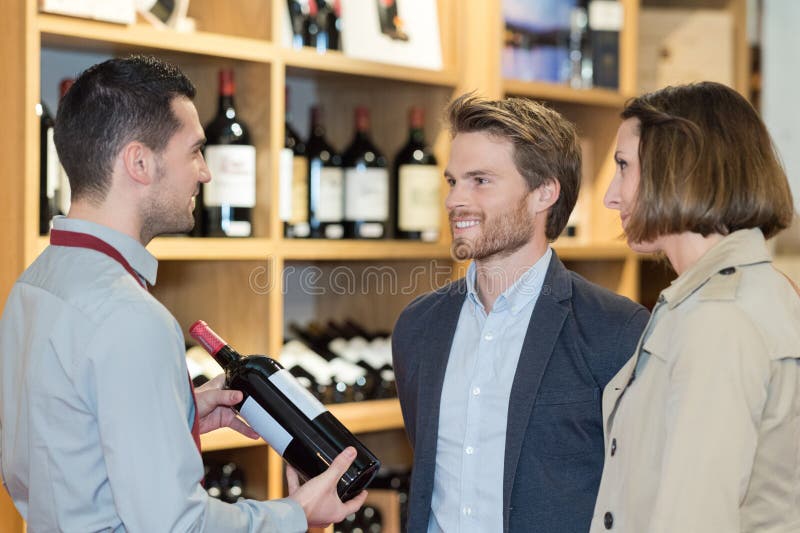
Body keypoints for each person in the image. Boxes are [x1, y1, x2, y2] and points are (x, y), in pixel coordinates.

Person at [0, 55, 366, 532]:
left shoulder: (33, 285)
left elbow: (45, 457)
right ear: (139, 162)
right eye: (194, 151)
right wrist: (297, 514)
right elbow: (177, 526)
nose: (205, 172)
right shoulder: (132, 319)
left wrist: (179, 413)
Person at [391, 93, 649, 533]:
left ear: (543, 193)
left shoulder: (617, 330)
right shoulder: (418, 327)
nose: (455, 200)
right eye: (453, 181)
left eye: (480, 181)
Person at [590, 81, 800, 533]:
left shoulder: (718, 319)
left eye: (624, 166)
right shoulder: (751, 294)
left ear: (678, 169)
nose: (610, 195)